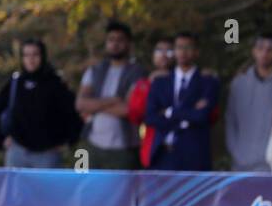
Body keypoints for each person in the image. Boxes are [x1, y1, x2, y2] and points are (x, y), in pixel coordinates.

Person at [0, 38, 82, 168]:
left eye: (35, 54)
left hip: (47, 155)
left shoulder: (55, 84)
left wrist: (68, 141)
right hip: (18, 153)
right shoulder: (16, 83)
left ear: (42, 56)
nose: (31, 59)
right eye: (26, 55)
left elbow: (74, 114)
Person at [144, 32, 219, 172]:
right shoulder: (160, 82)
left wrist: (168, 112)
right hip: (163, 155)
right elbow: (150, 117)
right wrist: (188, 116)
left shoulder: (208, 81)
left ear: (196, 52)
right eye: (179, 47)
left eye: (188, 47)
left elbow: (201, 116)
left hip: (194, 156)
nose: (183, 52)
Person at [76, 20, 146, 170]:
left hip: (123, 148)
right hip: (90, 144)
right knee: (82, 185)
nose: (115, 44)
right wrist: (113, 101)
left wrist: (94, 106)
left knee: (120, 192)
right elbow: (80, 103)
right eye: (111, 39)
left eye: (120, 40)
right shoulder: (95, 70)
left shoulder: (137, 73)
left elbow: (128, 109)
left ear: (128, 43)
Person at [225, 33, 272, 172]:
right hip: (241, 165)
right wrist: (236, 152)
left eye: (270, 49)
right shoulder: (239, 83)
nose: (264, 53)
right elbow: (231, 120)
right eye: (260, 48)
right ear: (253, 51)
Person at [126, 38, 174, 169]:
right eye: (159, 50)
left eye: (169, 51)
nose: (164, 55)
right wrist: (149, 85)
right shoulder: (144, 84)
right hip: (153, 148)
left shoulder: (187, 81)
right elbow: (135, 114)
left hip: (181, 149)